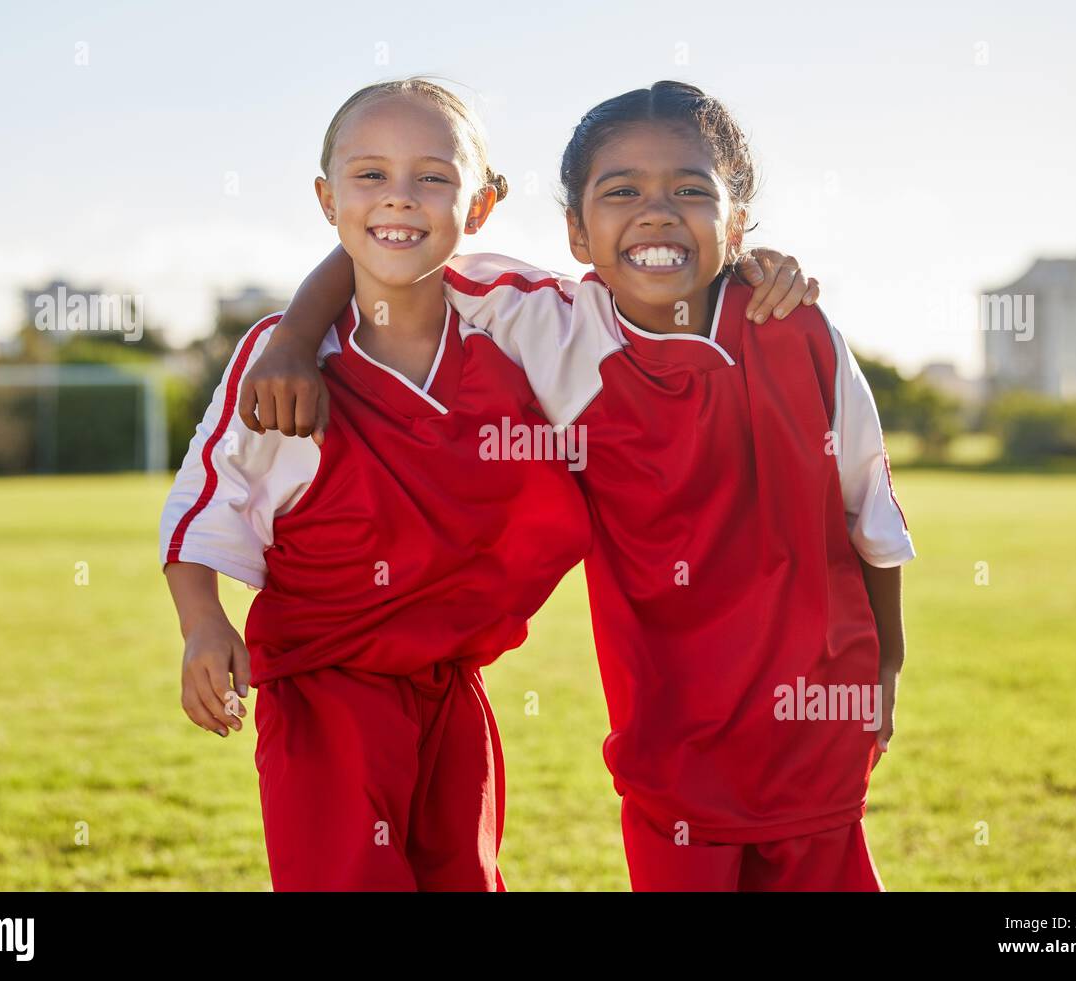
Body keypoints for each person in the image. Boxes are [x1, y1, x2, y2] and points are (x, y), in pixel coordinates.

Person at [245, 80, 914, 891]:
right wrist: (293, 337)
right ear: (575, 229)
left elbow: (870, 512)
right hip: (673, 734)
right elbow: (389, 246)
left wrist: (888, 663)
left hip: (818, 718)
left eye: (692, 191)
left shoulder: (798, 330)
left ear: (737, 224)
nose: (658, 211)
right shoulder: (554, 327)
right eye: (621, 190)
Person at [159, 78, 592, 890]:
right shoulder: (283, 361)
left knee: (463, 875)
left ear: (482, 205)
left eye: (433, 176)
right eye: (369, 176)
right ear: (327, 199)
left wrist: (749, 267)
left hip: (453, 681)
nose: (400, 198)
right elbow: (203, 498)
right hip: (327, 688)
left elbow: (642, 313)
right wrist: (203, 623)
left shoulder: (519, 321)